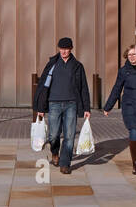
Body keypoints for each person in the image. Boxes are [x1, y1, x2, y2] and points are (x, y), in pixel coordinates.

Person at [33, 36, 92, 174]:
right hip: (54, 104)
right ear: (58, 49)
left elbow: (84, 88)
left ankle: (65, 164)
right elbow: (43, 86)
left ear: (71, 49)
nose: (63, 51)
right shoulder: (52, 64)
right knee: (53, 135)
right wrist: (40, 108)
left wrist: (86, 108)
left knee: (69, 135)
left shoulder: (77, 66)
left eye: (66, 49)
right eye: (61, 49)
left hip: (72, 104)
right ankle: (55, 152)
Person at [104, 45, 136, 174]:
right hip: (129, 106)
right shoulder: (123, 71)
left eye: (134, 54)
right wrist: (108, 107)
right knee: (133, 131)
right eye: (129, 55)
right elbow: (117, 88)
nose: (131, 57)